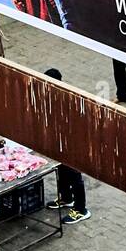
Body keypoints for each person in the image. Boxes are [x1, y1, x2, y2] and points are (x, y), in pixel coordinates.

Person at [41, 69, 91, 224]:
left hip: (72, 144)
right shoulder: (51, 97)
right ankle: (66, 197)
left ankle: (81, 209)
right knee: (61, 169)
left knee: (74, 175)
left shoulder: (67, 100)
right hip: (59, 142)